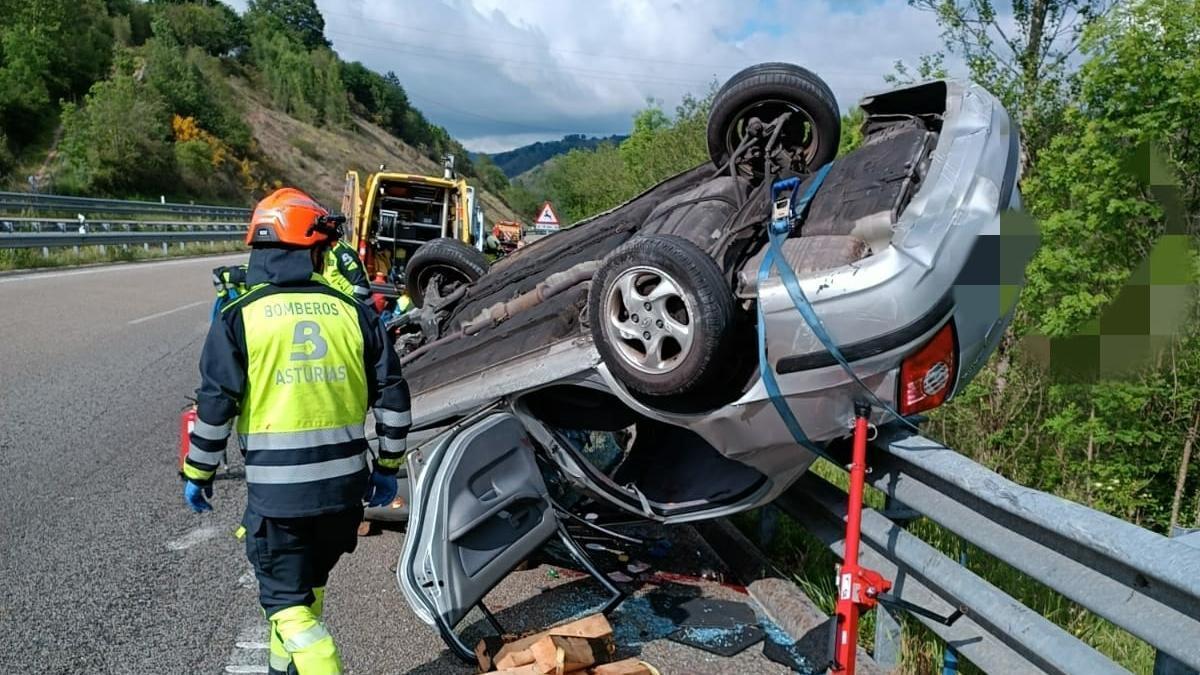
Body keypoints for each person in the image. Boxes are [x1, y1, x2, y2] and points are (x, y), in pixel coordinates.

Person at [180, 188, 411, 675]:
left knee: (287, 605)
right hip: (345, 497)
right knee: (308, 590)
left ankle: (319, 663)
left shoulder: (239, 315)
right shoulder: (356, 313)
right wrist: (388, 467)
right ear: (311, 249)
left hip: (280, 503)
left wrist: (198, 472)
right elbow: (392, 395)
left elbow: (216, 405)